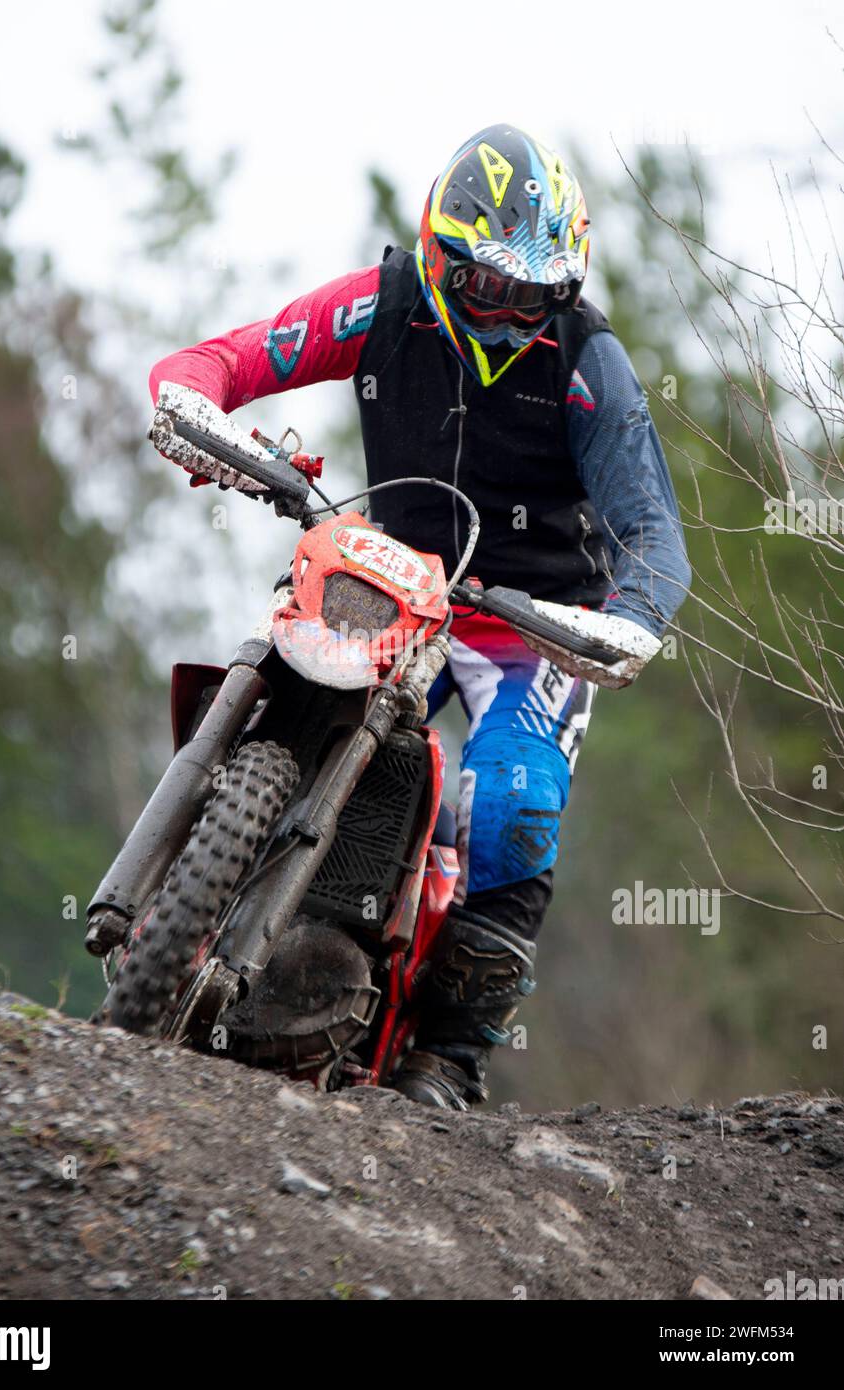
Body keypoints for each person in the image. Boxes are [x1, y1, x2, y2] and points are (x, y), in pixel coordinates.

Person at [149, 124, 691, 1109]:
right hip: (392, 578)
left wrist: (633, 618)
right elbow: (227, 357)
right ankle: (186, 907)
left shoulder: (586, 360)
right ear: (440, 255)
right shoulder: (382, 304)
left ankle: (450, 1053)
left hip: (530, 619)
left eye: (534, 292)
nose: (508, 310)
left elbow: (651, 527)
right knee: (291, 672)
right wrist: (193, 408)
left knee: (516, 799)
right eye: (488, 285)